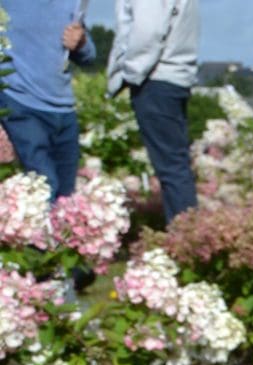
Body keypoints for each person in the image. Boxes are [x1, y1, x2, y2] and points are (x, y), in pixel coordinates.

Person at [106, 0, 199, 220]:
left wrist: (129, 73)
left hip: (155, 79)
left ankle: (185, 243)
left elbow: (148, 32)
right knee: (176, 166)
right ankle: (188, 238)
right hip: (175, 77)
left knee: (172, 170)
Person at [0, 1, 98, 199]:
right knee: (45, 185)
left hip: (63, 108)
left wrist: (81, 43)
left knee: (66, 193)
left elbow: (89, 55)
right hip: (20, 101)